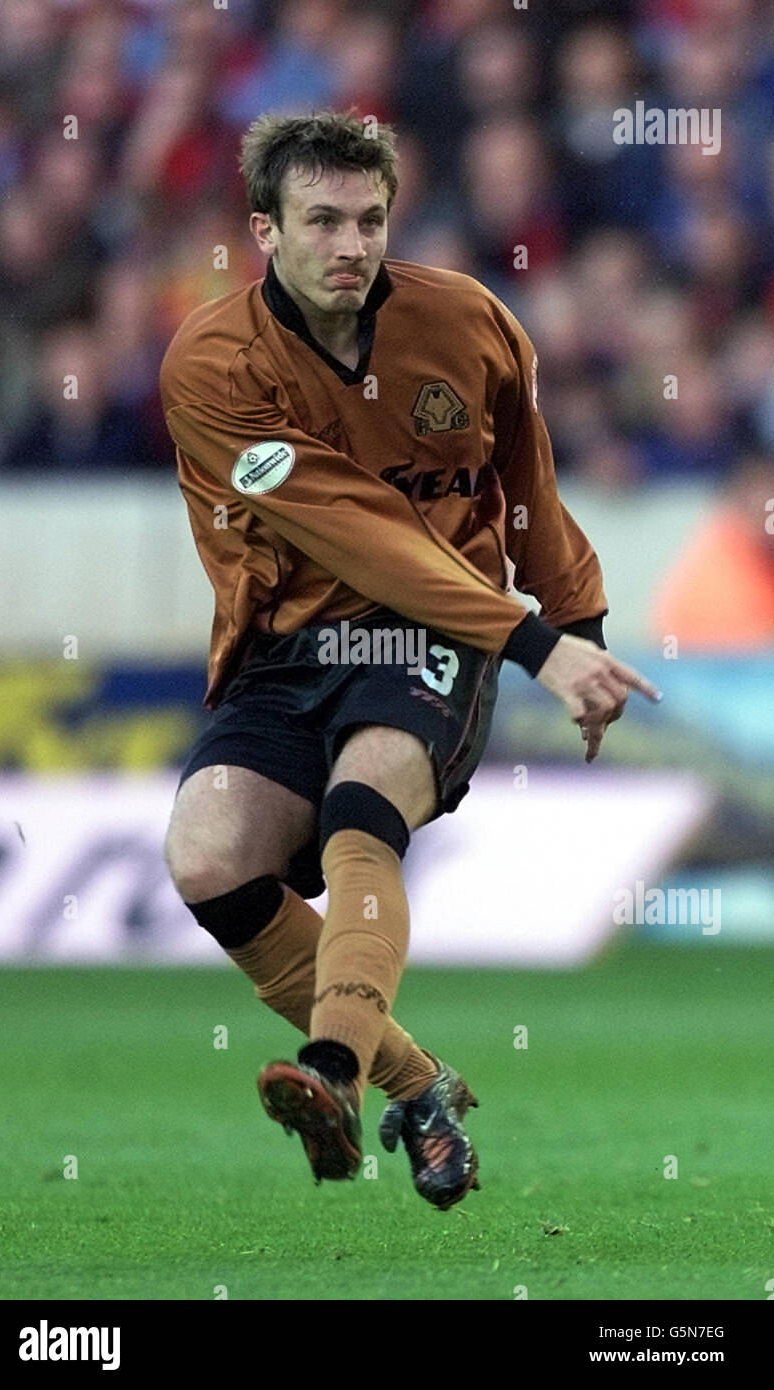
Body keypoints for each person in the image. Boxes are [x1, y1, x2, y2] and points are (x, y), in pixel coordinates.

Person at [159, 111, 660, 1211]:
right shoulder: (211, 364)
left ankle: (331, 1070)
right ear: (264, 231)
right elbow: (351, 526)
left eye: (371, 220)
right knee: (205, 854)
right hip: (287, 644)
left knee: (361, 804)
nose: (351, 244)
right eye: (323, 220)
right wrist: (535, 643)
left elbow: (528, 493)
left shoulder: (468, 322)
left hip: (434, 630)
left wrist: (579, 629)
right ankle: (420, 1086)